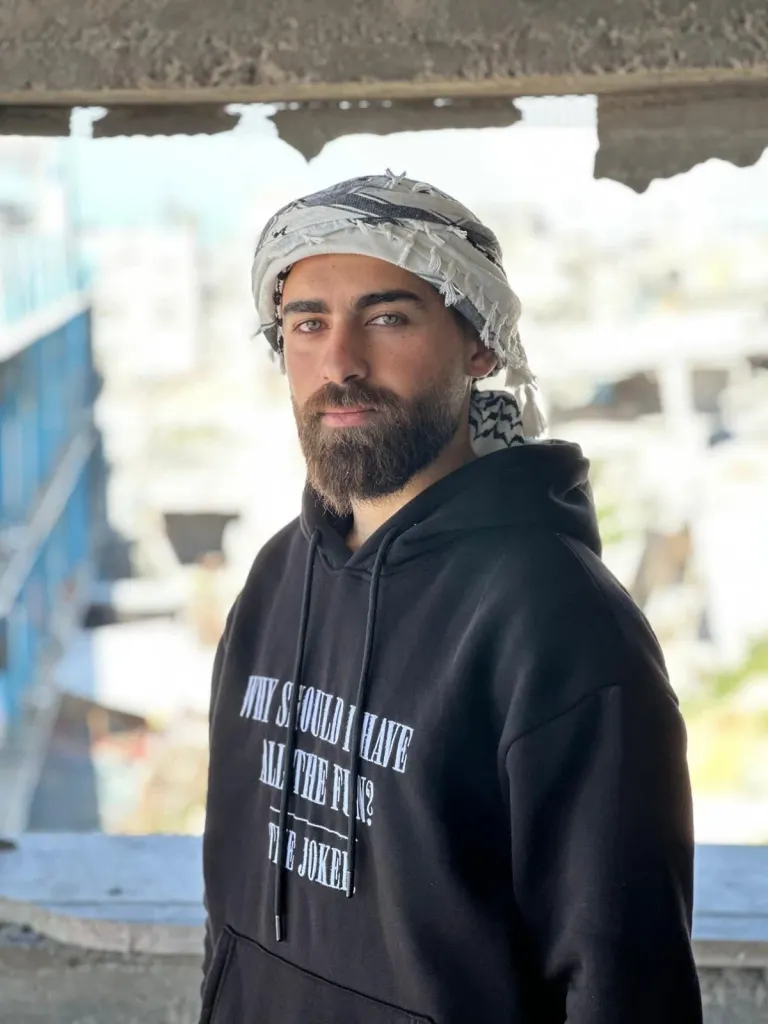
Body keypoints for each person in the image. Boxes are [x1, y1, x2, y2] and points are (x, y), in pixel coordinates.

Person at [200, 173, 702, 1023]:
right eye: (307, 324)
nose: (340, 363)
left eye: (388, 318)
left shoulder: (559, 619)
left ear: (481, 348)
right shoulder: (279, 575)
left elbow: (625, 979)